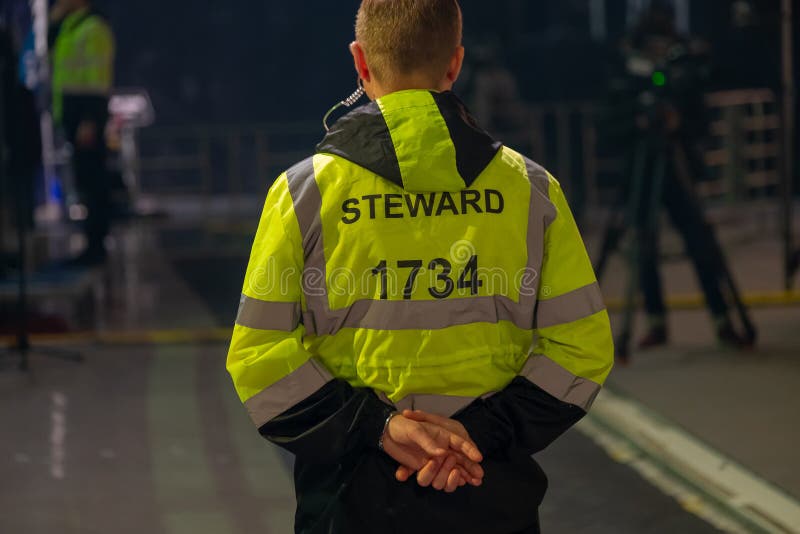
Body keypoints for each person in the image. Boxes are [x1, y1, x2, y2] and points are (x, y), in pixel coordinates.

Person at [226, 1, 614, 532]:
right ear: (454, 64)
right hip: (489, 489)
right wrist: (473, 436)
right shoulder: (531, 189)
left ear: (360, 63)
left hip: (349, 499)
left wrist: (383, 430)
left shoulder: (303, 194)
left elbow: (259, 359)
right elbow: (582, 351)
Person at [606, 2, 752, 350]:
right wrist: (639, 121)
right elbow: (610, 122)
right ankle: (656, 322)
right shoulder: (628, 74)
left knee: (701, 244)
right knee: (643, 246)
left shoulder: (681, 72)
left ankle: (722, 318)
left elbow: (700, 119)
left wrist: (678, 123)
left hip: (677, 165)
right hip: (642, 166)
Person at [50, 0, 114, 264]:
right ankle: (91, 243)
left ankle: (97, 245)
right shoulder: (70, 26)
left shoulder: (94, 28)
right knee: (84, 181)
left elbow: (99, 78)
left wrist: (91, 119)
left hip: (88, 115)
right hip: (72, 112)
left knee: (93, 181)